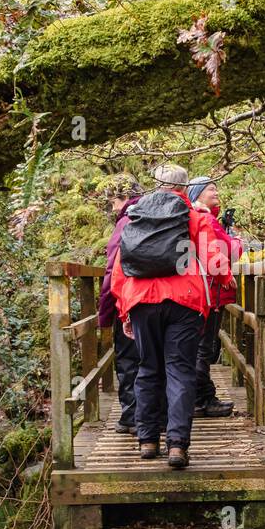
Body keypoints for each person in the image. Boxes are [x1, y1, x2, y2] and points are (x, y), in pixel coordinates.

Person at [111, 163, 234, 469]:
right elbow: (211, 256)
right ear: (183, 188)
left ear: (155, 185)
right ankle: (177, 445)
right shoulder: (193, 216)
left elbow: (119, 270)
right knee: (180, 370)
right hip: (185, 301)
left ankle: (148, 440)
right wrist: (226, 278)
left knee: (148, 368)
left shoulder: (134, 217)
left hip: (141, 301)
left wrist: (125, 309)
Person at [186, 176, 241, 417]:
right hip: (209, 293)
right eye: (210, 188)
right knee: (202, 348)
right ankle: (201, 400)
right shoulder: (206, 220)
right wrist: (238, 241)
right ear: (197, 194)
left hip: (199, 291)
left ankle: (202, 396)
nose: (215, 191)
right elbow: (225, 252)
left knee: (200, 347)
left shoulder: (202, 217)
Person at [96, 174, 143, 434]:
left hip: (127, 303)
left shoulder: (126, 221)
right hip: (160, 300)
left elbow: (111, 270)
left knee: (128, 360)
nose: (112, 208)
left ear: (125, 198)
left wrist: (105, 313)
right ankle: (153, 414)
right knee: (152, 358)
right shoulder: (159, 215)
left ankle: (131, 416)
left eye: (113, 201)